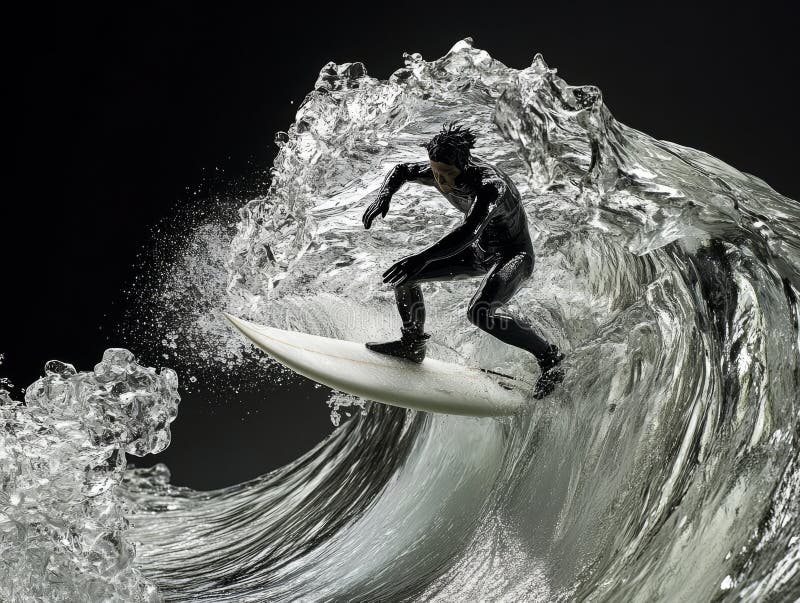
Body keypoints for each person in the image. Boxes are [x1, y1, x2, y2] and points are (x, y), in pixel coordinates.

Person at [362, 122, 564, 399]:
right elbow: (402, 170)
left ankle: (549, 359)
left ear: (464, 165)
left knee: (480, 312)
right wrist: (385, 195)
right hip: (479, 252)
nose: (441, 182)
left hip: (513, 256)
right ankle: (412, 344)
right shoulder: (438, 171)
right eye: (435, 174)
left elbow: (469, 231)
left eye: (446, 175)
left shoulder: (491, 187)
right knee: (406, 277)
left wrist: (420, 258)